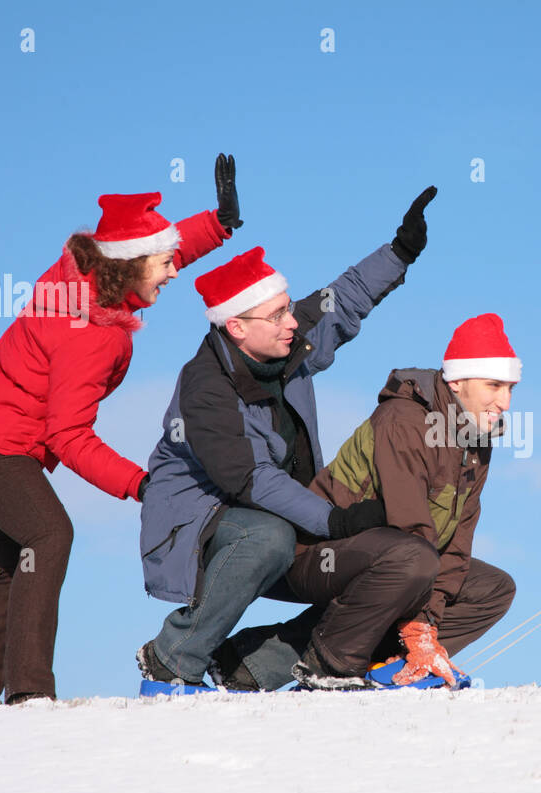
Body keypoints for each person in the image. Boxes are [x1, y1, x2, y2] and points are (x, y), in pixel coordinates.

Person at [0, 155, 242, 706]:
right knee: (49, 537)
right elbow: (69, 437)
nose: (176, 271)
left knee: (18, 567)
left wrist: (215, 225)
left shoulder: (83, 272)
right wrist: (140, 483)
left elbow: (136, 246)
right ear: (130, 269)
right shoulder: (92, 335)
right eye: (166, 263)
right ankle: (30, 691)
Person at [136, 188, 438, 688]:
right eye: (277, 314)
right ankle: (173, 660)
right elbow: (248, 479)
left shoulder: (285, 342)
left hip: (287, 515)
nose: (292, 322)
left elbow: (341, 299)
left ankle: (256, 667)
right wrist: (334, 519)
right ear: (236, 326)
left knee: (394, 555)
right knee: (269, 536)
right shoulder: (206, 388)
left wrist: (400, 251)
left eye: (287, 309)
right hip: (204, 526)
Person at [260, 312, 521, 691]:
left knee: (493, 588)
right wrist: (419, 624)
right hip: (318, 553)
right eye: (494, 385)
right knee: (414, 558)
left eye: (511, 387)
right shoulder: (404, 419)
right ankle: (330, 666)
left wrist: (425, 628)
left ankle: (391, 664)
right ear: (459, 381)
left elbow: (459, 538)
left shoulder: (477, 439)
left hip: (399, 560)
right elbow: (409, 523)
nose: (505, 401)